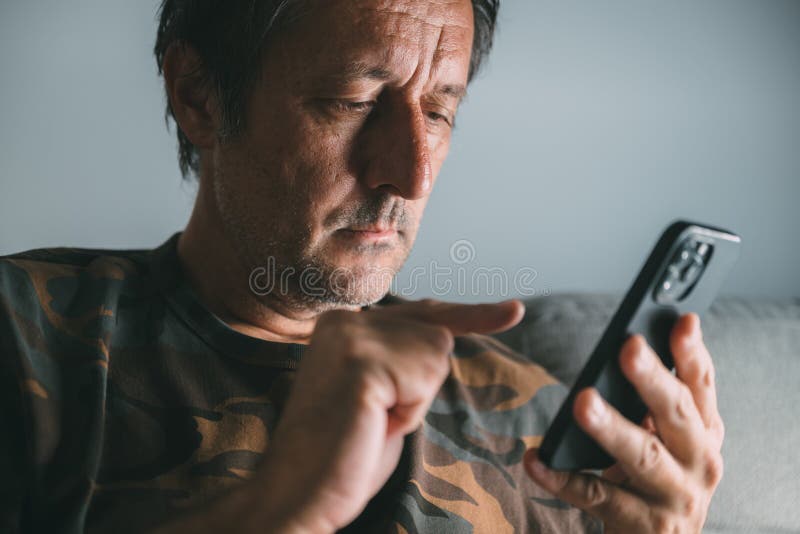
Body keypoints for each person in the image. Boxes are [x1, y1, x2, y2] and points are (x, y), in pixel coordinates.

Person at [0, 1, 724, 532]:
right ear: (198, 95)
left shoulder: (539, 423)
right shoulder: (26, 334)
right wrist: (280, 511)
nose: (409, 174)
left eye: (438, 111)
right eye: (352, 101)